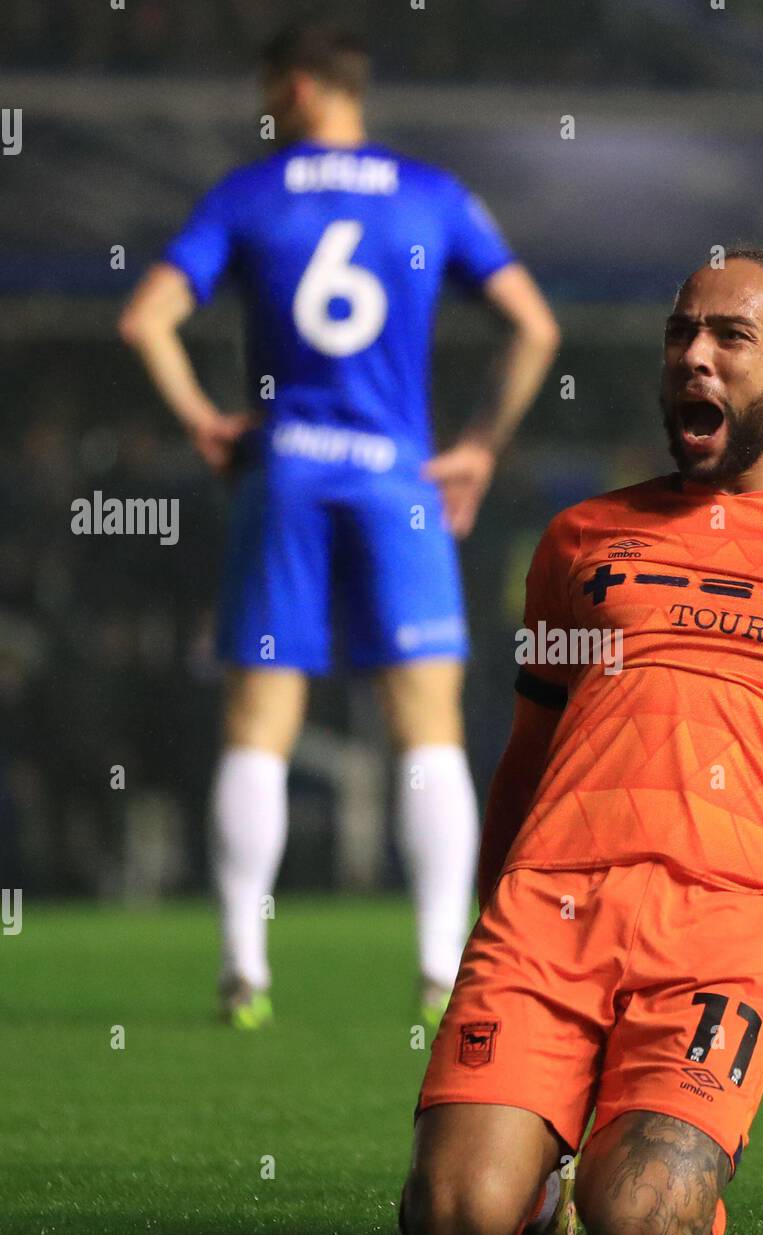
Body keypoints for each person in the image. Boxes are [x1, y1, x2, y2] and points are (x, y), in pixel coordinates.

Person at [401, 247, 763, 1235]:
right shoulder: (579, 539)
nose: (694, 357)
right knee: (449, 1220)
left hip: (731, 926)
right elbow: (524, 762)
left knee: (642, 1222)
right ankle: (530, 1174)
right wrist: (489, 931)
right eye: (679, 335)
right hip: (547, 912)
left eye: (729, 337)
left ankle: (630, 1180)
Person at [119, 21, 560, 1028]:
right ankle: (442, 967)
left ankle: (244, 970)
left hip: (285, 474)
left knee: (258, 722)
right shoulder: (430, 195)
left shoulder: (248, 195)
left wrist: (205, 422)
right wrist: (480, 443)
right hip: (396, 480)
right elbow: (535, 325)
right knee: (427, 726)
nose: (262, 108)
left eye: (269, 88)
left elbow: (143, 316)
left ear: (305, 87)